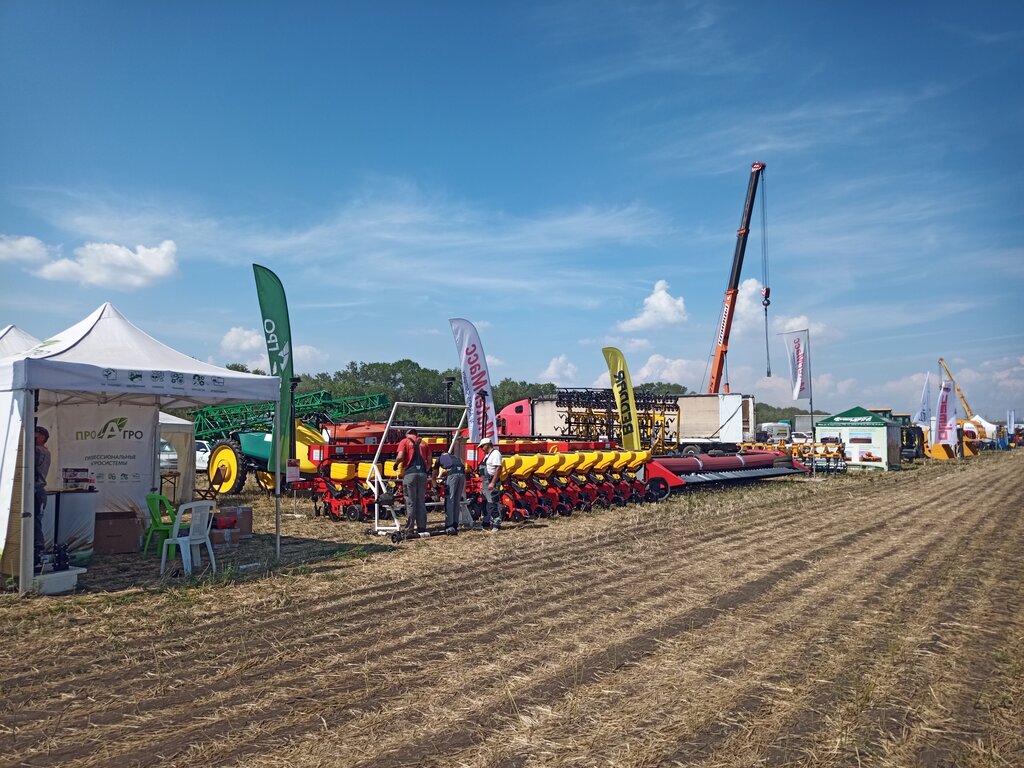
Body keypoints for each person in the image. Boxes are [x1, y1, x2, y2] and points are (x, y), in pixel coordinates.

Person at [395, 428, 432, 536]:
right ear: (416, 435)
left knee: (410, 502)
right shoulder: (424, 443)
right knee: (420, 501)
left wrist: (396, 464)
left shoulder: (404, 441)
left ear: (407, 435)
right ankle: (422, 528)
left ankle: (409, 529)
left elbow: (400, 456)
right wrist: (426, 470)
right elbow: (429, 460)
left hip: (410, 474)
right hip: (422, 474)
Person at [436, 443, 466, 536]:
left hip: (452, 475)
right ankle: (455, 524)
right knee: (456, 500)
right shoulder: (456, 458)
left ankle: (449, 526)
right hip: (462, 475)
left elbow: (434, 472)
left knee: (450, 499)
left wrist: (435, 485)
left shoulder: (440, 459)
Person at [33, 425, 51, 574]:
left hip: (37, 492)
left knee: (35, 524)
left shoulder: (40, 451)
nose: (33, 437)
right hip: (36, 492)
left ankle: (39, 555)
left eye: (36, 434)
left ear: (43, 437)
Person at [478, 436, 502, 531]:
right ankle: (486, 522)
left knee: (493, 503)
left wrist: (492, 482)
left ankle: (496, 524)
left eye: (482, 446)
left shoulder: (495, 454)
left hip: (491, 481)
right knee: (484, 503)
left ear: (487, 445)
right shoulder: (487, 455)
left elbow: (498, 468)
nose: (481, 449)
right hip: (485, 481)